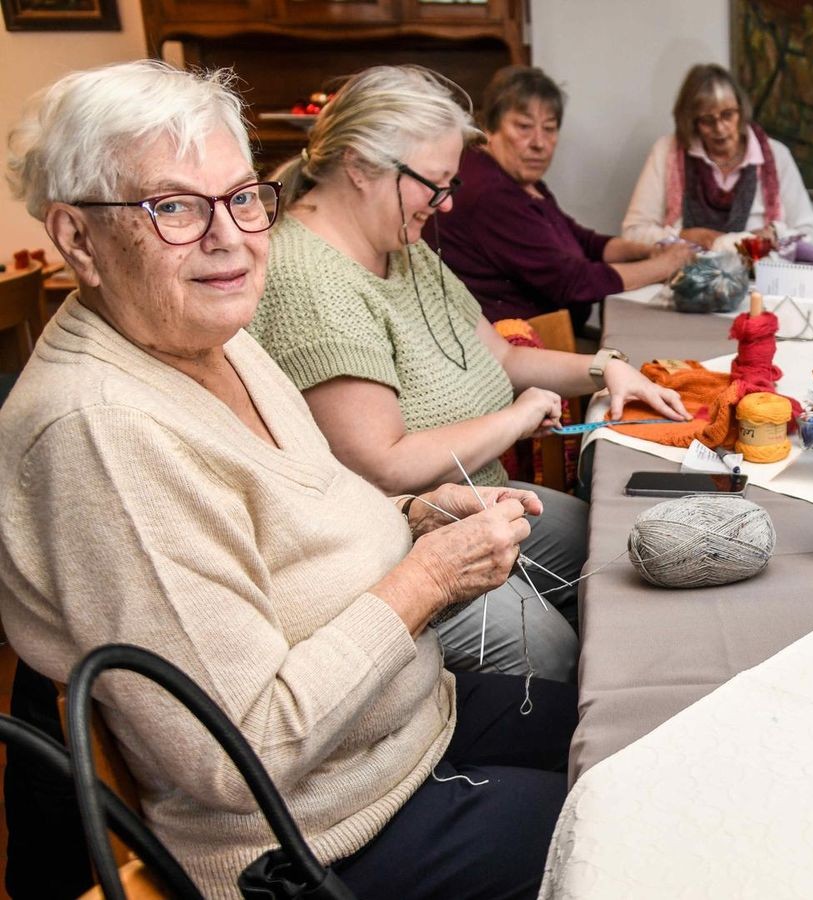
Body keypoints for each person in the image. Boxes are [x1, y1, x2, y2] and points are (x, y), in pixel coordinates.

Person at [0, 60, 576, 898]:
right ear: (78, 239)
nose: (229, 236)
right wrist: (430, 578)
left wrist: (418, 513)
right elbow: (243, 751)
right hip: (318, 835)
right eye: (174, 207)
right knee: (626, 816)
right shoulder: (99, 432)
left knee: (628, 729)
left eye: (241, 196)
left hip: (406, 731)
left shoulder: (213, 337)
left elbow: (292, 519)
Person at [248, 65, 689, 682]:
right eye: (435, 184)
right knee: (556, 654)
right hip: (405, 545)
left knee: (618, 540)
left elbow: (502, 356)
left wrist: (606, 368)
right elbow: (385, 462)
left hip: (479, 505)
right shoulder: (310, 282)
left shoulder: (400, 246)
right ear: (359, 166)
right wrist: (515, 417)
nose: (448, 203)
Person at [435, 65, 696, 324]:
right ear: (489, 129)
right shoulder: (490, 193)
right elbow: (571, 283)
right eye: (524, 126)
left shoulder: (520, 181)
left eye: (549, 128)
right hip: (522, 347)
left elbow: (582, 241)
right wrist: (665, 266)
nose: (539, 143)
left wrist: (647, 252)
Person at [621, 63, 813, 253]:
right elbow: (632, 234)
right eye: (707, 120)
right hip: (684, 281)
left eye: (728, 115)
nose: (720, 128)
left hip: (761, 284)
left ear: (742, 111)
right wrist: (683, 236)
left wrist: (774, 235)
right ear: (691, 121)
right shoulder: (666, 152)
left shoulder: (776, 156)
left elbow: (812, 237)